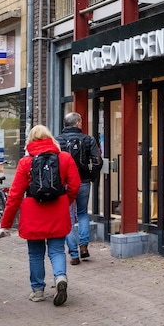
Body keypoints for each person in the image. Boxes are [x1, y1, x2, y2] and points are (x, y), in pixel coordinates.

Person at [0, 125, 81, 306]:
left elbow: (15, 195)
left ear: (30, 141)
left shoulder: (25, 162)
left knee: (35, 254)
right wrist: (65, 201)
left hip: (33, 212)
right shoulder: (64, 158)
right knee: (57, 250)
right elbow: (75, 185)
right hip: (57, 210)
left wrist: (6, 223)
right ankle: (60, 277)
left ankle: (37, 291)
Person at [56, 111, 102, 264]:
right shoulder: (88, 140)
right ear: (77, 123)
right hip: (83, 181)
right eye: (81, 121)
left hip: (65, 183)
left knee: (68, 216)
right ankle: (83, 245)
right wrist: (91, 176)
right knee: (82, 213)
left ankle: (74, 254)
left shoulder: (58, 140)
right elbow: (97, 161)